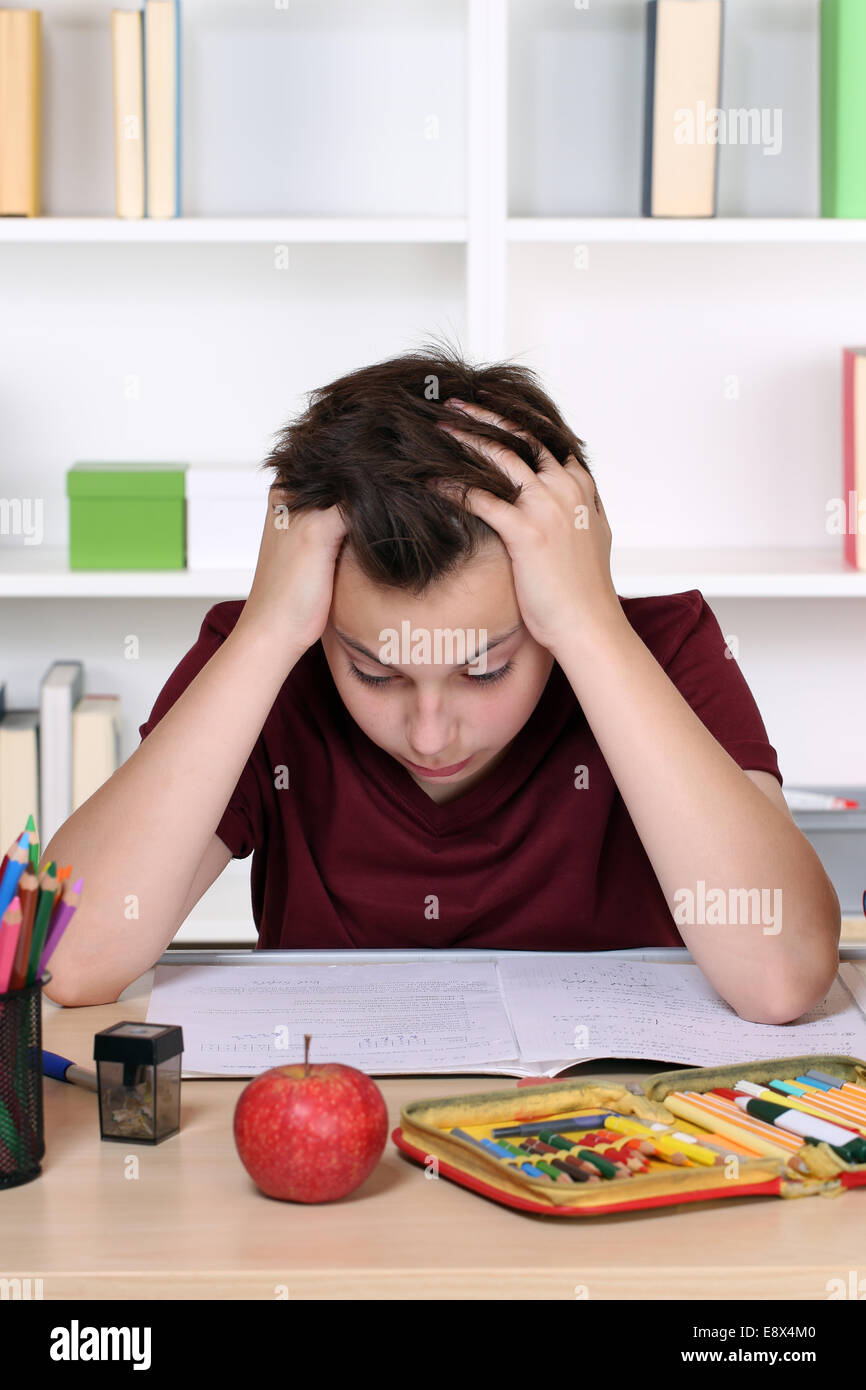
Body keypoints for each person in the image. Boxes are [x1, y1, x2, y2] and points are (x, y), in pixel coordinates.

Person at [42, 344, 840, 1019]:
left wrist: (592, 629)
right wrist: (266, 630)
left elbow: (781, 977)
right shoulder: (269, 658)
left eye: (484, 667)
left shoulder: (658, 651)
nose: (429, 734)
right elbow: (66, 960)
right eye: (375, 674)